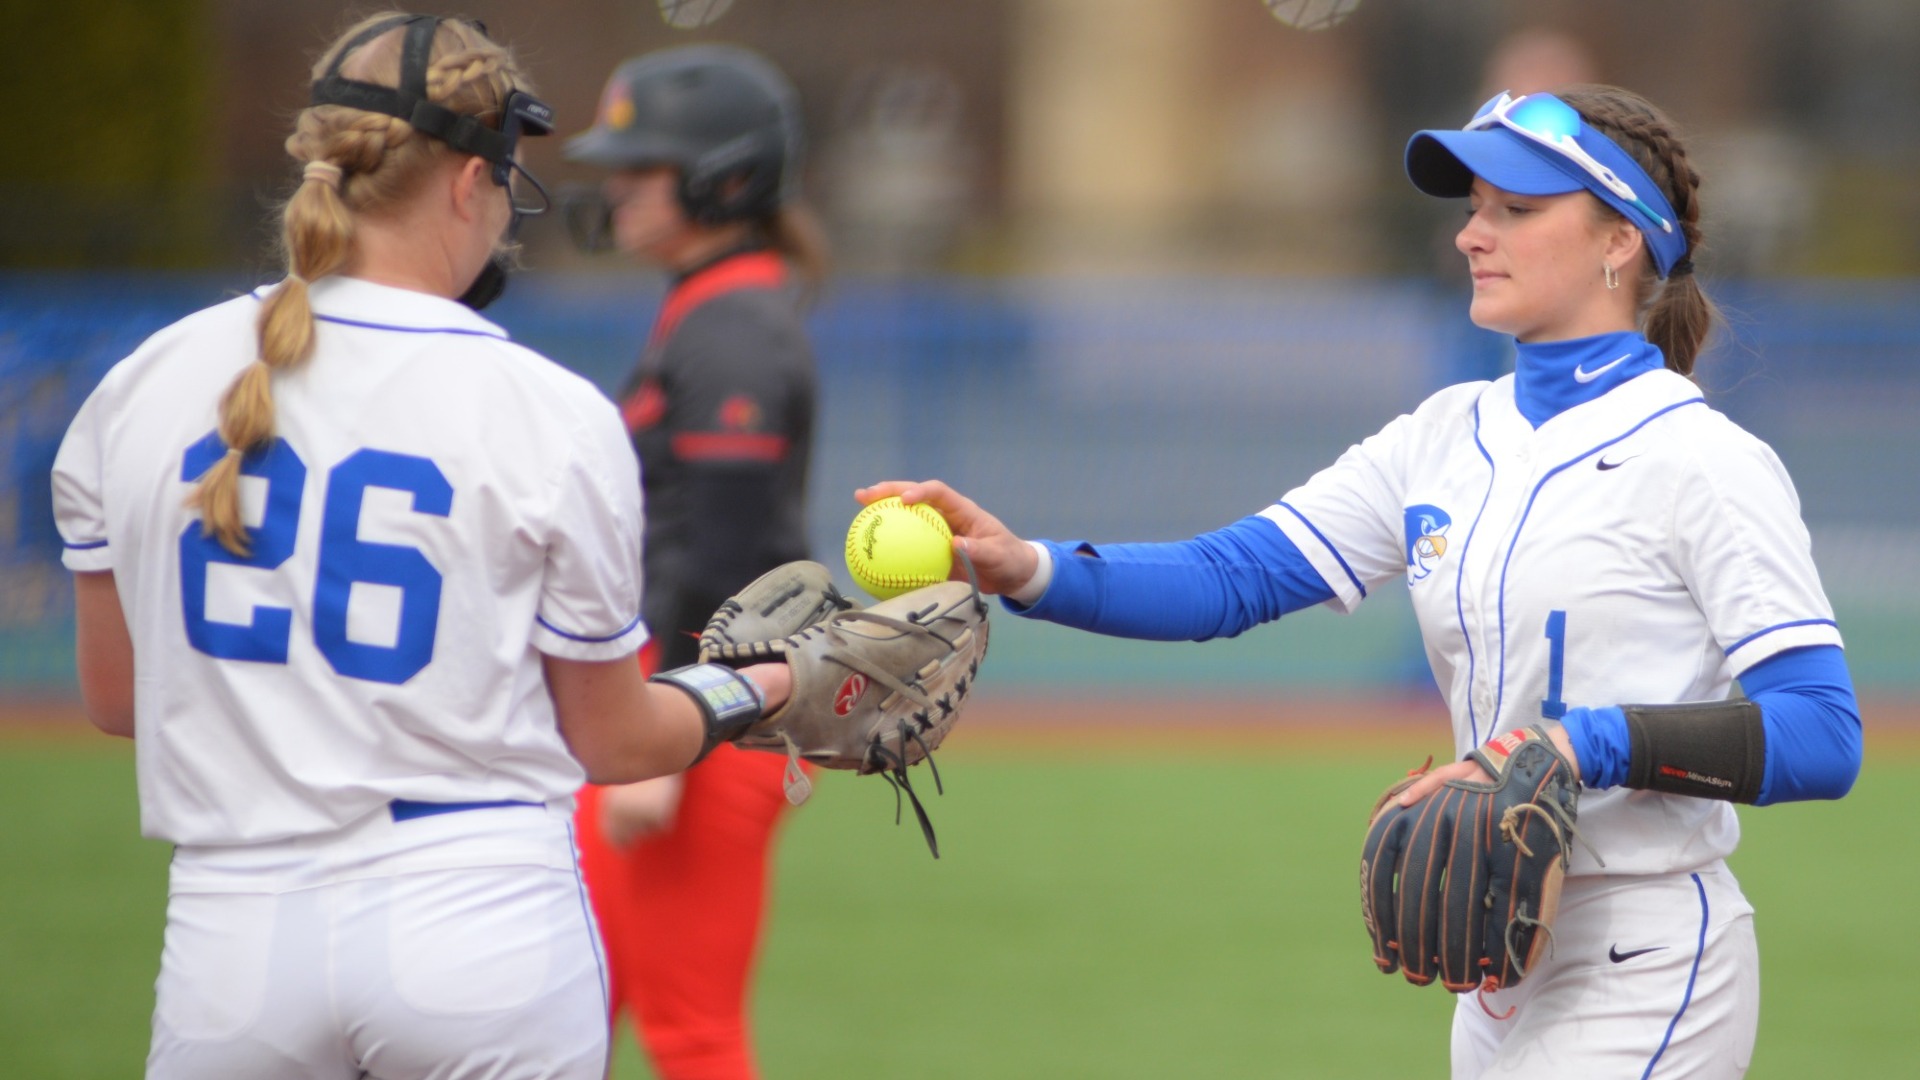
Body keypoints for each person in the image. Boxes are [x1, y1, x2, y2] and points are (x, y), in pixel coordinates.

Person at [861, 84, 1862, 1079]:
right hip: (1500, 962)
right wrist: (1024, 565)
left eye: (1515, 209)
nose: (1475, 234)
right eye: (1474, 207)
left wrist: (1576, 744)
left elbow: (1822, 732)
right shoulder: (1442, 436)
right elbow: (1232, 577)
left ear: (1620, 243)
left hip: (1646, 953)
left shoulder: (1702, 462)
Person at [50, 14, 790, 1078]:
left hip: (233, 931)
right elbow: (616, 743)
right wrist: (760, 687)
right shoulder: (543, 405)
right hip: (474, 906)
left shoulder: (142, 381)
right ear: (466, 180)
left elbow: (122, 701)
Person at [558, 45, 828, 1080]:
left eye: (643, 166)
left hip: (700, 716)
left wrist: (670, 738)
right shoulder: (715, 309)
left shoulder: (733, 329)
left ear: (723, 178)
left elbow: (720, 548)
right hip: (684, 706)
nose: (616, 187)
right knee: (586, 1006)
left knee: (688, 1029)